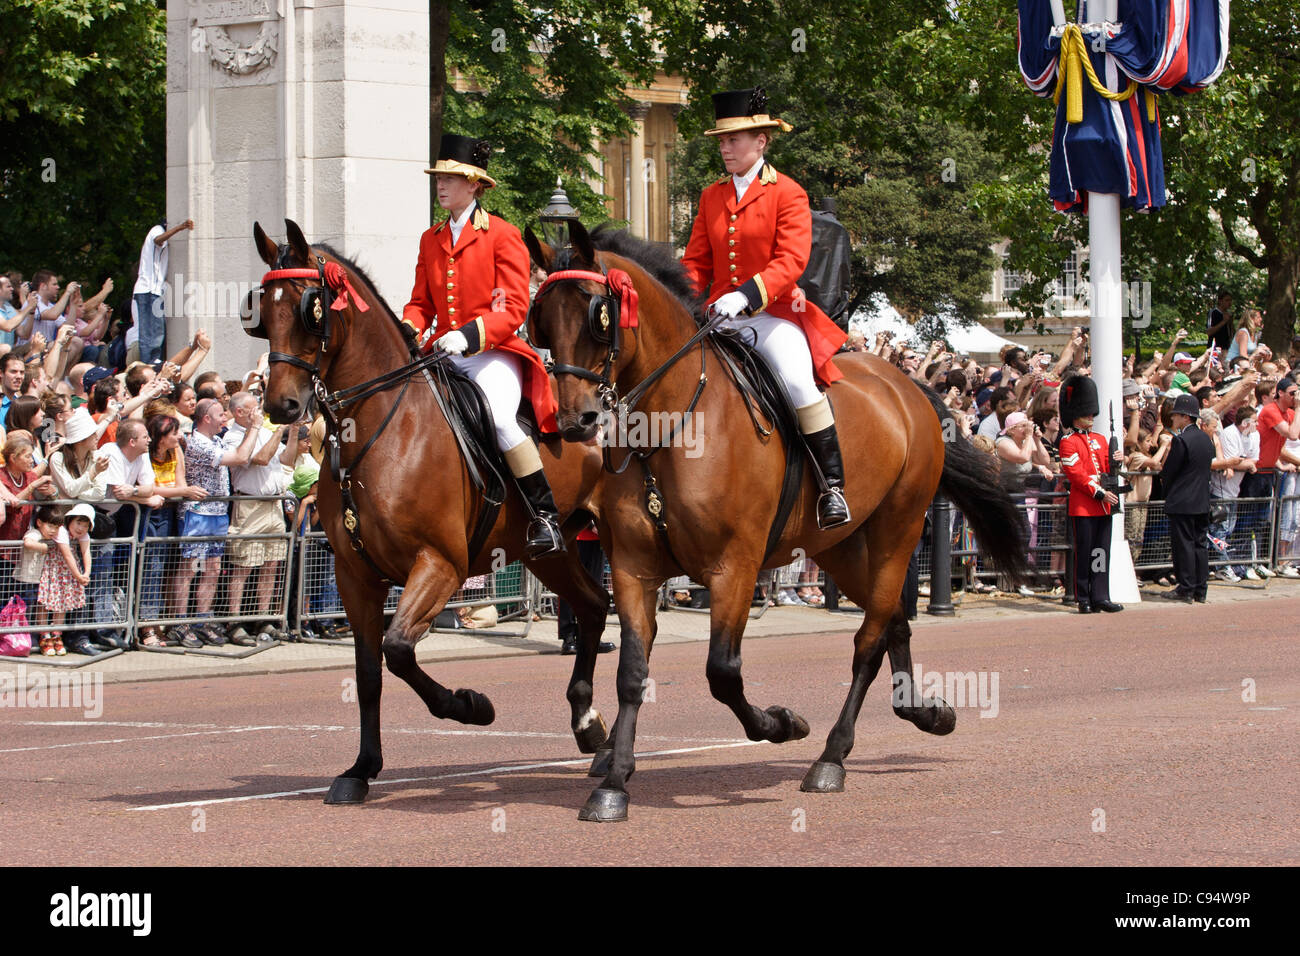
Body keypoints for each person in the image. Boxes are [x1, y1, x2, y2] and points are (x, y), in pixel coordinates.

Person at [681, 87, 850, 529]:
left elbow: (791, 260)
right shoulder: (711, 196)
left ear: (761, 141)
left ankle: (832, 486)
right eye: (721, 140)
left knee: (797, 383)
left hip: (770, 317)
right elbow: (696, 263)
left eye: (733, 139)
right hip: (717, 318)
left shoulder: (788, 193)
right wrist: (685, 301)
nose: (724, 147)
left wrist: (746, 295)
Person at [402, 133, 564, 558]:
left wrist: (469, 335)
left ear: (474, 185)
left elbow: (513, 308)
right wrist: (407, 327)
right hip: (442, 353)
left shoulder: (503, 235)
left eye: (451, 178)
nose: (441, 185)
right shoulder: (430, 238)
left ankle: (544, 515)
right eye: (439, 177)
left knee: (499, 419)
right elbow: (420, 303)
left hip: (493, 354)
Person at [222, 391, 294, 645]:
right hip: (249, 505)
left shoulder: (263, 431)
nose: (260, 412)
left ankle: (265, 618)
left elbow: (286, 459)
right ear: (239, 412)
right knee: (243, 566)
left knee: (272, 565)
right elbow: (260, 459)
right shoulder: (233, 436)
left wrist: (294, 431)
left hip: (273, 504)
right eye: (254, 408)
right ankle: (234, 621)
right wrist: (278, 430)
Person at [1057, 375, 1123, 613]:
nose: (1091, 418)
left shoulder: (1100, 439)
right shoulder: (1068, 442)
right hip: (1085, 505)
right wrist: (1099, 493)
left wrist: (1117, 461)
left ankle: (1100, 595)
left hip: (1104, 505)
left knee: (1100, 552)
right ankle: (1083, 597)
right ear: (1075, 415)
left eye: (1092, 414)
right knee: (1084, 553)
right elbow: (1076, 474)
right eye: (1087, 414)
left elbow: (1107, 468)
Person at [1159, 393, 1216, 603]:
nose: (1173, 418)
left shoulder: (1181, 440)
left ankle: (1186, 587)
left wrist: (1166, 490)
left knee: (1183, 546)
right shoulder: (1205, 439)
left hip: (1183, 501)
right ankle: (1201, 588)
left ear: (1184, 417)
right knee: (1200, 545)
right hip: (1201, 500)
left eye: (1176, 415)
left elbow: (1170, 471)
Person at [132, 218, 195, 364]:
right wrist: (180, 227)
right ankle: (150, 363)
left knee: (156, 331)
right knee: (151, 333)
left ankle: (153, 361)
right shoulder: (157, 229)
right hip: (148, 290)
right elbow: (158, 240)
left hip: (152, 291)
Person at [37, 503, 95, 657]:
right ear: (70, 520)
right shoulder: (61, 531)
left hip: (69, 572)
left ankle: (57, 635)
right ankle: (44, 635)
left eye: (85, 525)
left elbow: (86, 552)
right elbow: (66, 554)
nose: (80, 528)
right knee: (46, 601)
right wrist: (78, 575)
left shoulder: (84, 535)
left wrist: (86, 573)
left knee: (63, 601)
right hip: (53, 568)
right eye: (78, 523)